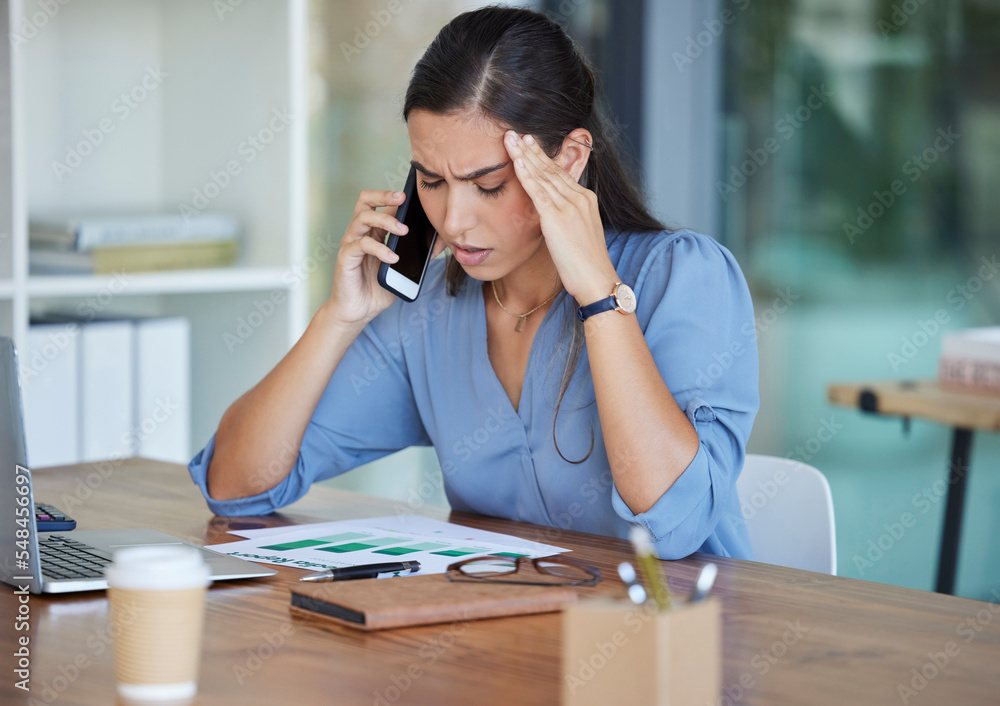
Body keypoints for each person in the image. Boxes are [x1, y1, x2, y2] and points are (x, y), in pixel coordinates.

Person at [188, 5, 759, 560]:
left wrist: (598, 296)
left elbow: (673, 526)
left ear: (568, 160)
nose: (454, 220)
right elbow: (236, 487)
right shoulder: (427, 313)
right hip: (504, 622)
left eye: (487, 185)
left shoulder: (684, 277)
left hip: (676, 622)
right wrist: (339, 318)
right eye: (431, 181)